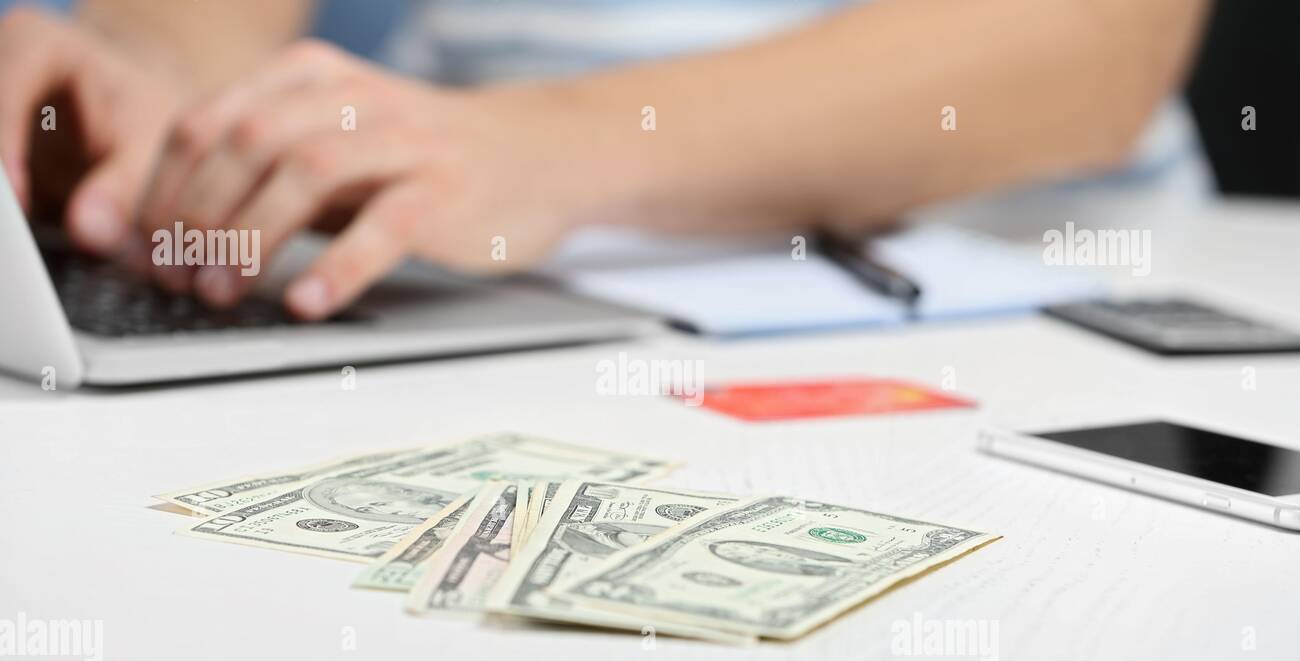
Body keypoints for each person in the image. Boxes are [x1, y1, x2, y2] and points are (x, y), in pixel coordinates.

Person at [0, 0, 1208, 321]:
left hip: (1041, 283)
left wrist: (550, 145)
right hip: (473, 287)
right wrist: (148, 74)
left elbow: (1097, 38)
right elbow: (196, 19)